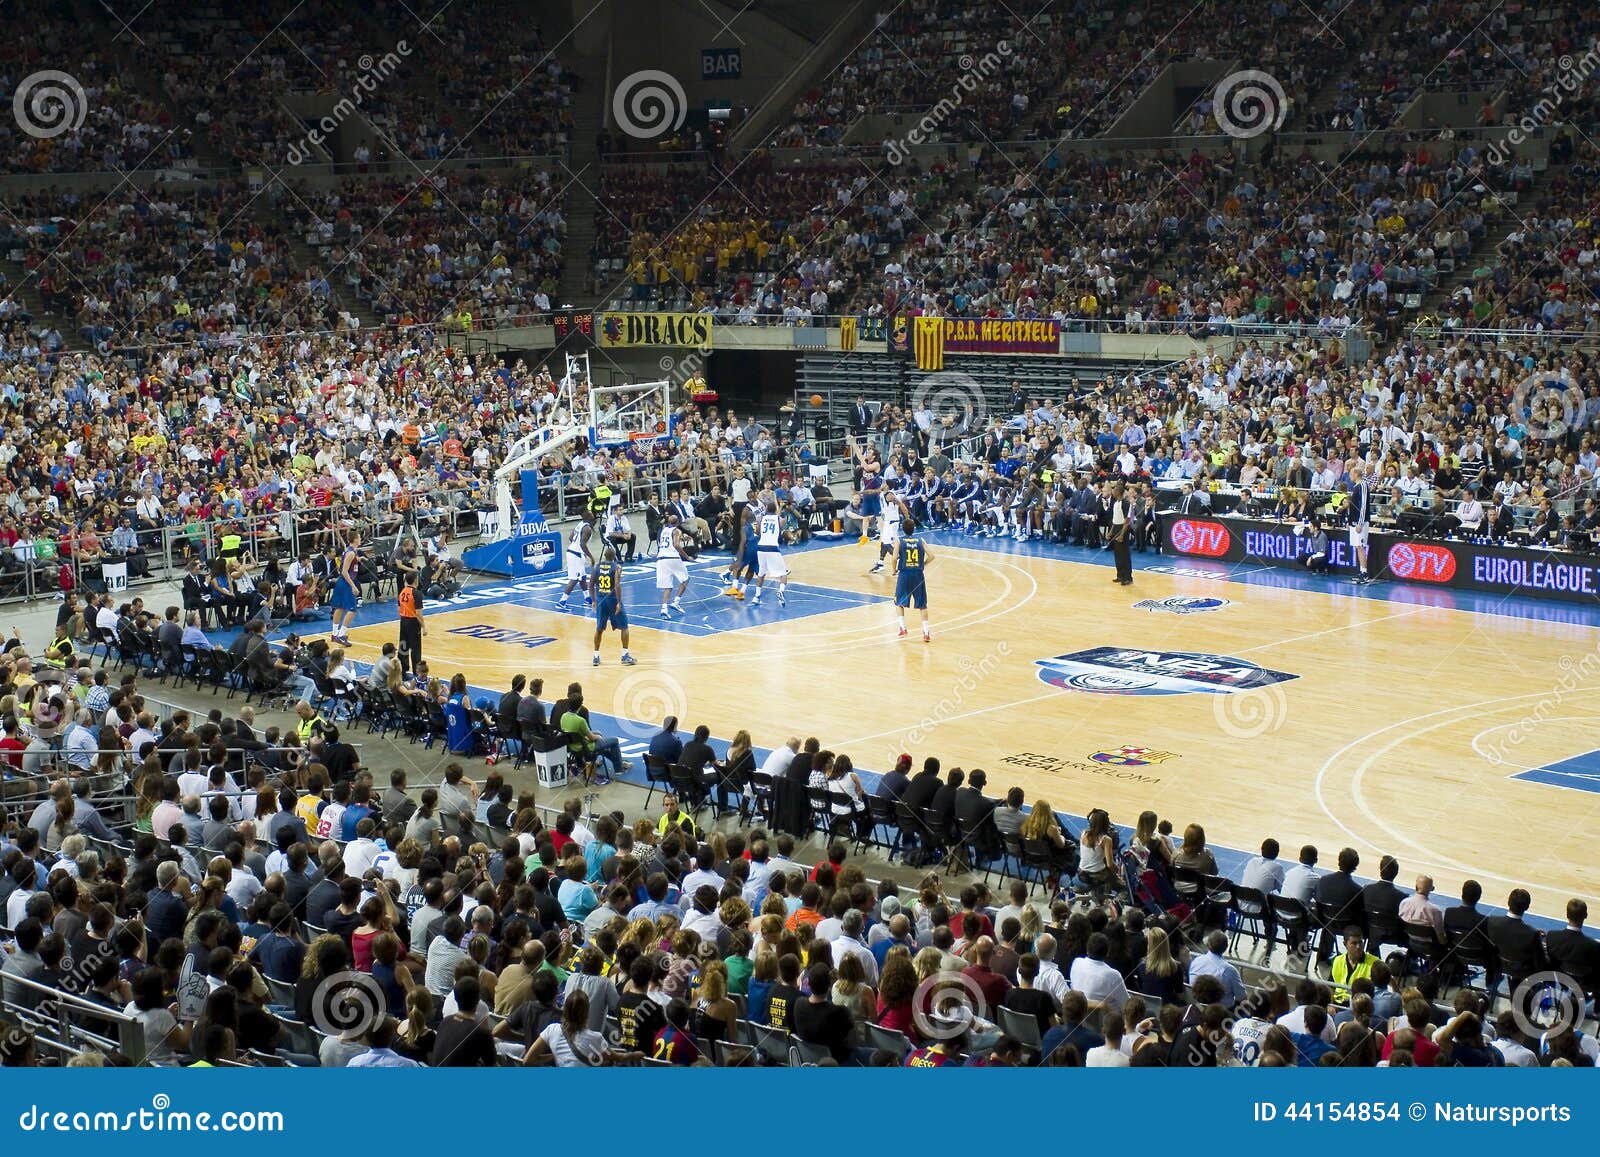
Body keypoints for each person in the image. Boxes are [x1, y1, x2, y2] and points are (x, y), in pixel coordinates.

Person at [591, 546, 636, 666]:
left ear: (604, 556)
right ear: (614, 556)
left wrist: (594, 600)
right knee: (624, 626)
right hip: (612, 599)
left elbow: (590, 585)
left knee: (599, 629)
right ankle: (625, 655)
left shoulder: (596, 567)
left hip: (601, 600)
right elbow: (617, 585)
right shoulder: (616, 567)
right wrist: (619, 602)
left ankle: (596, 657)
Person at [893, 519, 932, 641]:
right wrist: (923, 564)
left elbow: (894, 558)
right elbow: (932, 556)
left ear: (902, 529)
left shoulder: (899, 540)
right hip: (918, 574)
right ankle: (926, 633)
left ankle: (902, 628)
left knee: (899, 602)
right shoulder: (921, 540)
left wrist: (894, 570)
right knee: (922, 605)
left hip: (904, 574)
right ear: (914, 528)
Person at [749, 497, 788, 608]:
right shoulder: (779, 519)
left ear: (766, 509)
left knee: (761, 573)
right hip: (773, 548)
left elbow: (757, 532)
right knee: (783, 574)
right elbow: (781, 526)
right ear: (775, 509)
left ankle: (756, 597)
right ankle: (781, 591)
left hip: (761, 547)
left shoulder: (761, 518)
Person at [556, 515, 596, 610]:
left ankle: (587, 598)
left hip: (573, 551)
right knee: (574, 579)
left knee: (582, 576)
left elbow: (571, 537)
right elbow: (582, 544)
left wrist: (576, 546)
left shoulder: (580, 524)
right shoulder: (587, 529)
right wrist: (591, 557)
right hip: (576, 554)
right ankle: (562, 601)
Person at [329, 531, 362, 646]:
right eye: (359, 537)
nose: (361, 538)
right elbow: (344, 571)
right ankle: (341, 635)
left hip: (341, 582)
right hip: (346, 582)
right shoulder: (351, 553)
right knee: (352, 610)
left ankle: (334, 634)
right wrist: (353, 586)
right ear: (355, 539)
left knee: (340, 607)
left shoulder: (350, 550)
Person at [655, 512, 690, 619]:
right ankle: (676, 602)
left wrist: (682, 538)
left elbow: (670, 540)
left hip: (661, 559)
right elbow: (676, 545)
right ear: (678, 522)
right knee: (685, 579)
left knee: (668, 586)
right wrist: (687, 557)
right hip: (672, 558)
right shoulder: (677, 530)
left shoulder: (663, 530)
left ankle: (664, 609)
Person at [396, 572, 425, 676]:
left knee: (403, 646)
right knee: (415, 649)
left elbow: (399, 608)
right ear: (415, 580)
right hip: (413, 622)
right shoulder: (417, 593)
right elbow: (418, 613)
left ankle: (402, 671)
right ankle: (417, 673)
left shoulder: (402, 591)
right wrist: (424, 627)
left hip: (403, 620)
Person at [1348, 464, 1372, 584]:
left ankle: (1365, 573)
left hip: (1360, 522)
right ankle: (1361, 571)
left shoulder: (1362, 485)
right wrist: (1349, 521)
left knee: (1360, 547)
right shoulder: (1356, 486)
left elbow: (1363, 506)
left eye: (1351, 473)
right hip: (1354, 521)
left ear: (1356, 474)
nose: (1349, 475)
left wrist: (1360, 522)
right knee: (1357, 547)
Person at [1108, 480, 1133, 585]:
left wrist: (1122, 534)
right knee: (1117, 554)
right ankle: (1120, 575)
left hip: (1123, 529)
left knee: (1124, 554)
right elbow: (1115, 519)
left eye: (1114, 489)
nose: (1112, 491)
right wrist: (1110, 531)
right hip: (1116, 527)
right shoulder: (1115, 503)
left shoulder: (1125, 503)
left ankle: (1127, 577)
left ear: (1119, 492)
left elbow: (1127, 520)